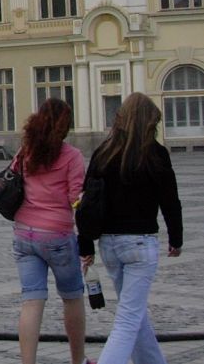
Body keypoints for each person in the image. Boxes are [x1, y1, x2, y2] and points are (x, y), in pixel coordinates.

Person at [78, 92, 182, 364]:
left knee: (134, 314)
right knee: (128, 319)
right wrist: (176, 238)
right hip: (139, 245)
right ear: (149, 122)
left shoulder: (103, 153)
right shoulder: (156, 154)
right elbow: (170, 201)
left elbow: (87, 201)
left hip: (110, 245)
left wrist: (86, 245)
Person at [11, 98, 90, 364]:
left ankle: (27, 362)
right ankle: (78, 360)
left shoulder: (25, 151)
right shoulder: (72, 156)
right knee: (72, 297)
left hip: (24, 234)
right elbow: (75, 199)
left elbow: (14, 179)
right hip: (57, 235)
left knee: (31, 301)